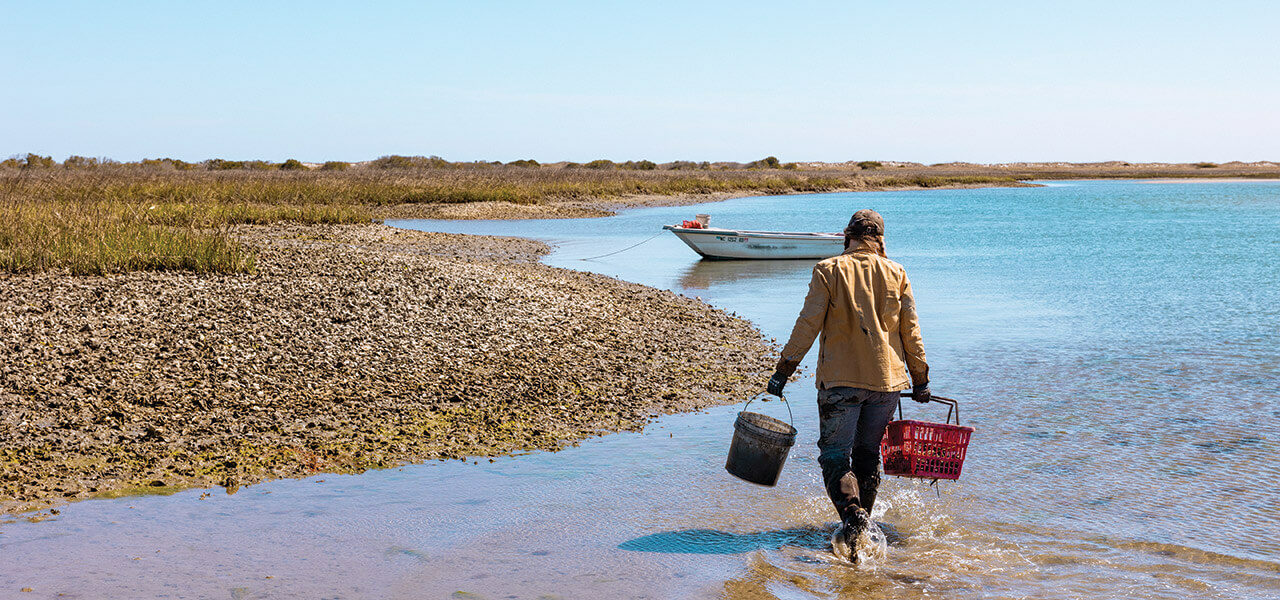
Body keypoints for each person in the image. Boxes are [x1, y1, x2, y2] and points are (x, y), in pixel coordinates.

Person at [766, 209, 931, 561]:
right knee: (868, 455)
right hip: (886, 383)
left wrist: (784, 369)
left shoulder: (828, 270)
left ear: (847, 236)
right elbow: (911, 331)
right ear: (879, 239)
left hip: (839, 383)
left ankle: (852, 515)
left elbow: (807, 324)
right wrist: (920, 379)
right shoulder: (897, 272)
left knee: (835, 456)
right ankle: (861, 533)